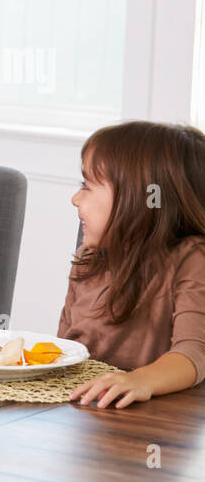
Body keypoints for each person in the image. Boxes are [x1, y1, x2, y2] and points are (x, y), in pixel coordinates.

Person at [62, 121, 205, 408]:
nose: (75, 198)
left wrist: (142, 380)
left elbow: (194, 353)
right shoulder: (87, 260)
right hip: (83, 416)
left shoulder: (192, 259)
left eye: (87, 186)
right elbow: (66, 352)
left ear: (138, 199)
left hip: (148, 426)